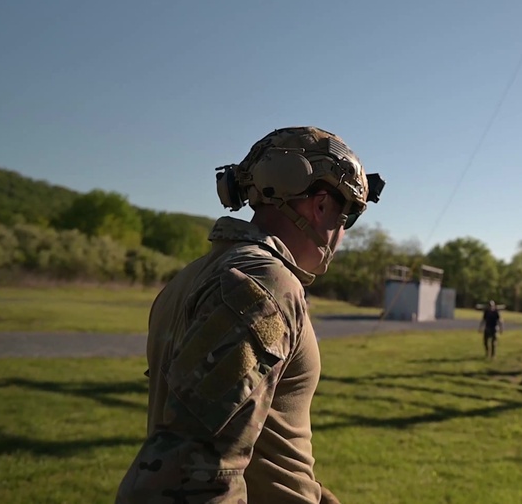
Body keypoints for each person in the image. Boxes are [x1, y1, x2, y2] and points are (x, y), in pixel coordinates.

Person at [115, 126, 385, 504]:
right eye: (348, 217)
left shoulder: (193, 276)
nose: (342, 235)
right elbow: (198, 473)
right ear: (322, 205)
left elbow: (264, 444)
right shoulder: (266, 285)